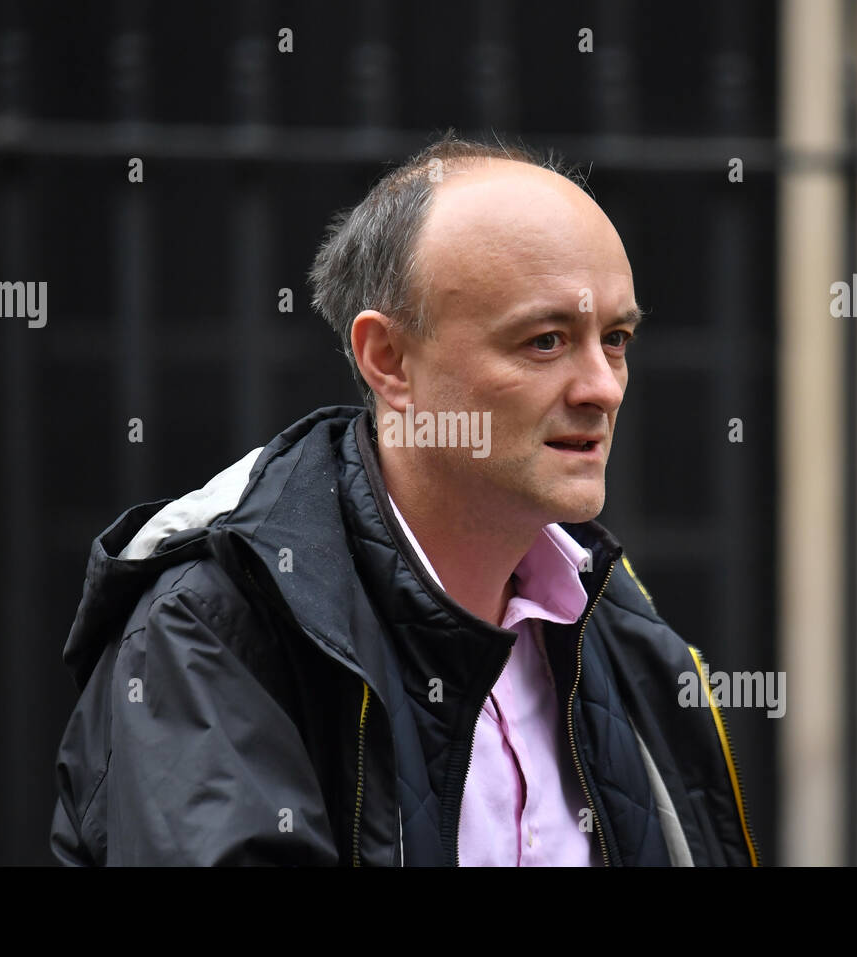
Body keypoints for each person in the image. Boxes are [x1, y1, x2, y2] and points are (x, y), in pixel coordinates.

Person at [50, 132, 759, 867]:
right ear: (388, 360)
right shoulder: (213, 625)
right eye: (545, 341)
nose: (602, 387)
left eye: (614, 339)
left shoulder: (628, 639)